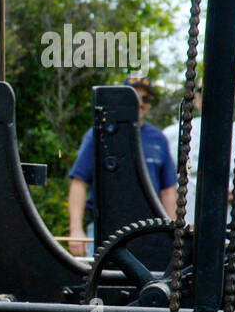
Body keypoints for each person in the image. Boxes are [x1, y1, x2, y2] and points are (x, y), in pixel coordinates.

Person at [67, 74, 177, 256]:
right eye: (134, 96)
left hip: (149, 230)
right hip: (106, 228)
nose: (140, 103)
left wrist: (172, 232)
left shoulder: (159, 139)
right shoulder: (100, 132)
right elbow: (79, 182)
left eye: (146, 98)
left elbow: (168, 191)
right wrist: (75, 230)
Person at [160, 88, 235, 224]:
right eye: (207, 96)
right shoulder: (174, 134)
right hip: (180, 225)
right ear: (197, 101)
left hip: (225, 226)